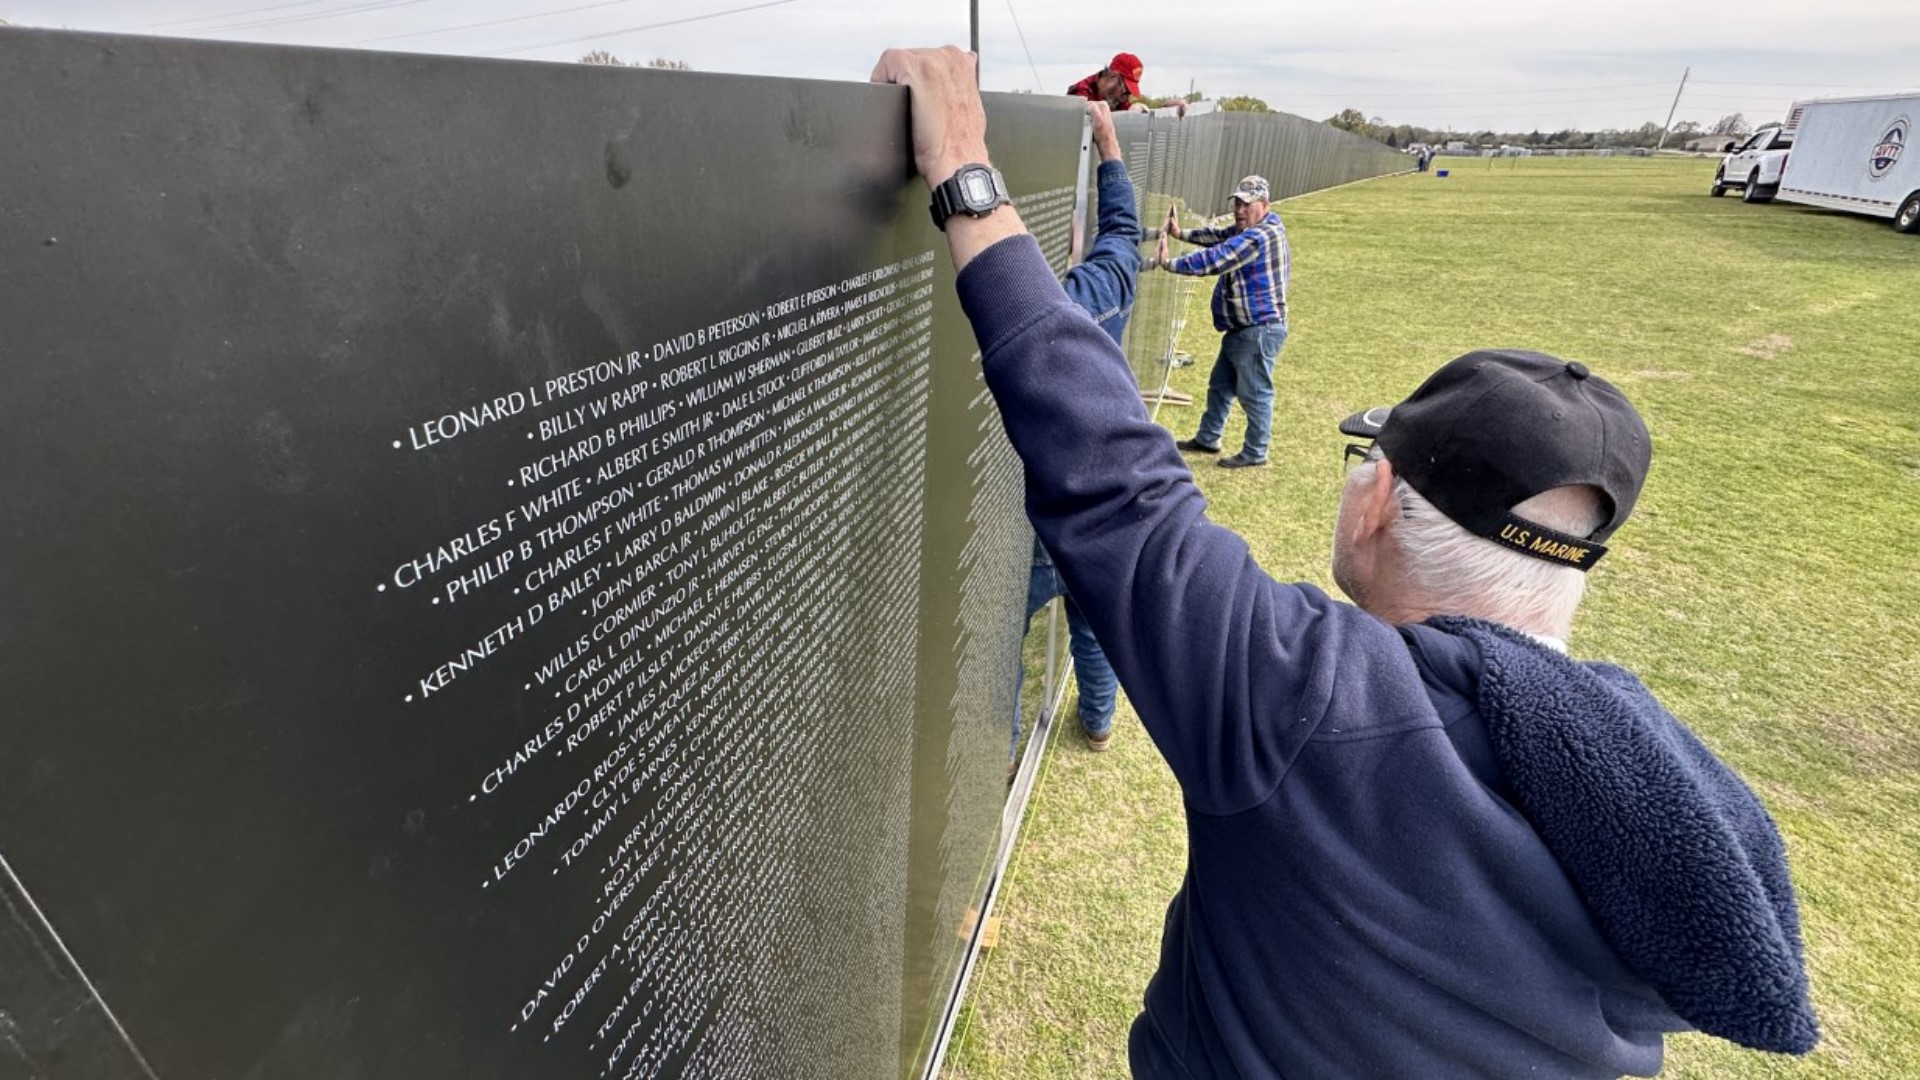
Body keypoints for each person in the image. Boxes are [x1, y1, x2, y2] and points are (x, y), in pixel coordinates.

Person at [871, 46, 1818, 1080]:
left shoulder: (1316, 707)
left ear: (1375, 501)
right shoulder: (1688, 805)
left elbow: (1111, 480)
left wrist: (963, 169)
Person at [1014, 100, 1139, 759]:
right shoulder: (1109, 282)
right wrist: (1108, 137)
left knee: (1007, 639)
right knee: (1093, 629)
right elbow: (1123, 227)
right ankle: (1097, 724)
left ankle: (1003, 754)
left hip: (1038, 511)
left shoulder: (1014, 318)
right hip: (1103, 506)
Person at [1154, 176, 1290, 468]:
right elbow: (1218, 236)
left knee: (1254, 393)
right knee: (1220, 386)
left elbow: (1218, 257)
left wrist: (1170, 264)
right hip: (1243, 329)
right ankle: (1208, 438)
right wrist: (1180, 233)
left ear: (1265, 205)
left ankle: (1256, 452)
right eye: (1238, 203)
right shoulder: (1252, 228)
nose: (1240, 210)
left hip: (1258, 329)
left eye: (1248, 204)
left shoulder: (1259, 236)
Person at [1067, 51, 1147, 113]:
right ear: (1113, 75)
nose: (1125, 98)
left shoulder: (1116, 100)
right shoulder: (1080, 93)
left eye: (1129, 94)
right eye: (1125, 91)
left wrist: (1135, 108)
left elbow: (1125, 108)